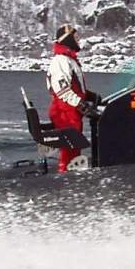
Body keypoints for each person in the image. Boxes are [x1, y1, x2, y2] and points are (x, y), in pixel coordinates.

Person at [46, 24, 99, 171]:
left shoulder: (69, 60)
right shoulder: (61, 61)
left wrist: (90, 96)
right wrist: (82, 105)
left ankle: (71, 172)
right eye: (75, 38)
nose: (79, 40)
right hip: (64, 111)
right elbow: (62, 90)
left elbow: (75, 87)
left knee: (74, 147)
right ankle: (66, 176)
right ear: (68, 39)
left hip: (71, 111)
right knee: (70, 148)